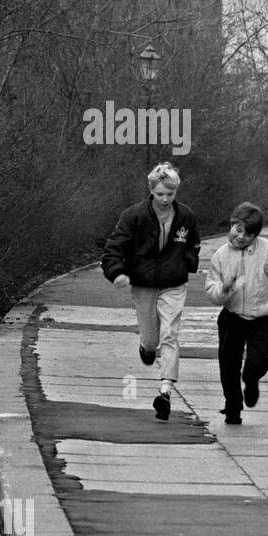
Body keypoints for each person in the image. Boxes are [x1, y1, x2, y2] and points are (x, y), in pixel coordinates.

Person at [101, 162, 201, 421]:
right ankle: (146, 348)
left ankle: (165, 391)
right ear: (151, 191)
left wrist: (187, 262)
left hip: (173, 284)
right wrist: (117, 272)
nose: (165, 199)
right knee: (152, 339)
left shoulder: (186, 216)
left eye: (170, 194)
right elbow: (114, 247)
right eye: (160, 194)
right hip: (143, 284)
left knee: (171, 334)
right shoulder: (134, 216)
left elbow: (194, 244)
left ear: (176, 191)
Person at [204, 202, 268, 425]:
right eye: (238, 230)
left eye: (248, 235)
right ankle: (233, 407)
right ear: (232, 225)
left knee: (261, 360)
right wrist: (224, 290)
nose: (241, 237)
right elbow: (212, 291)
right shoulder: (220, 256)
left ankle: (251, 378)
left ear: (255, 236)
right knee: (228, 364)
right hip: (232, 316)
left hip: (263, 318)